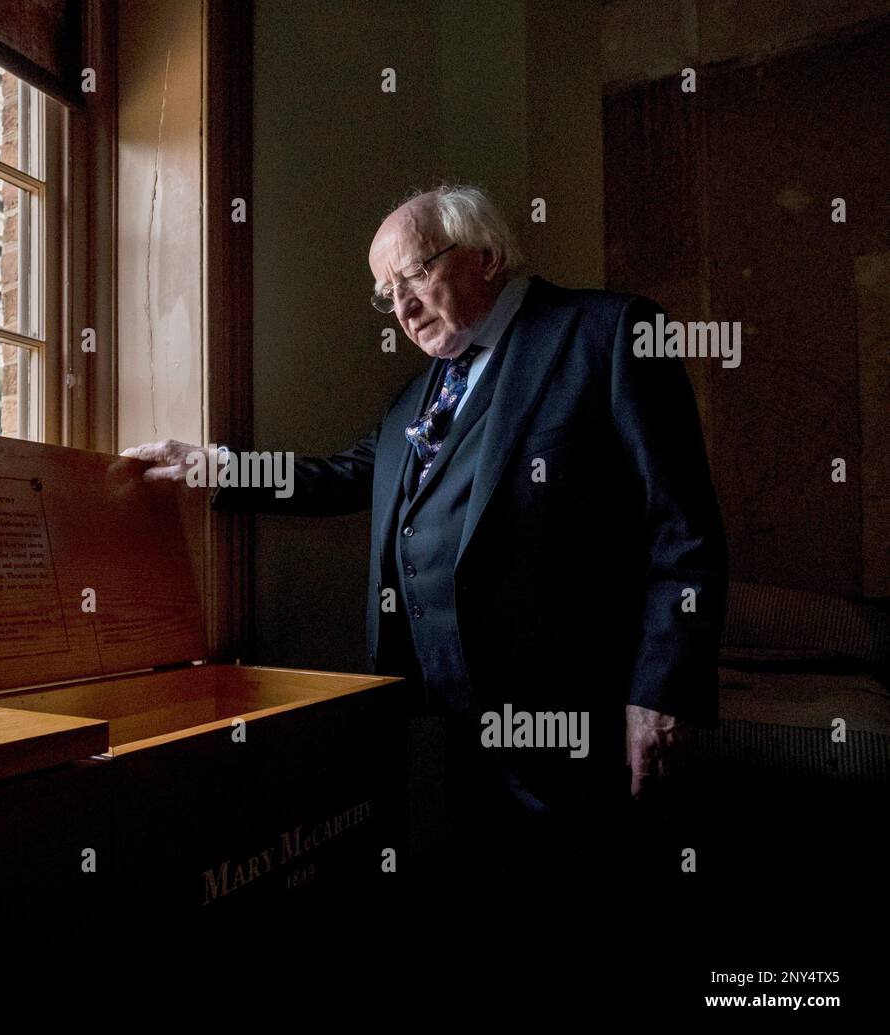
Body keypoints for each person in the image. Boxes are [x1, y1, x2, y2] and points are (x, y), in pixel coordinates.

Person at [123, 184, 727, 892]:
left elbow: (682, 530)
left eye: (412, 275)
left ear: (488, 255)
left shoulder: (607, 332)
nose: (401, 307)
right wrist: (218, 467)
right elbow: (347, 475)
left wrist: (662, 694)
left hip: (583, 711)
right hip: (458, 723)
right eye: (387, 293)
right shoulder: (420, 395)